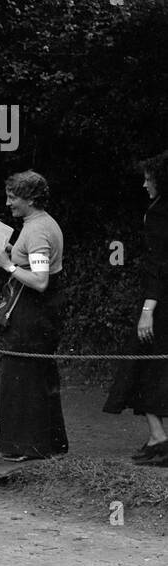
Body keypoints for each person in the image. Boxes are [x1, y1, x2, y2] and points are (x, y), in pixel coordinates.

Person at [0, 170, 68, 460]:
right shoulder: (38, 223)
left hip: (34, 310)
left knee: (24, 375)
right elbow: (36, 260)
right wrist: (13, 251)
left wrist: (8, 265)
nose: (8, 203)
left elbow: (40, 280)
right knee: (38, 374)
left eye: (13, 197)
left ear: (31, 199)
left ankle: (27, 446)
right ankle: (48, 444)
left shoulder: (36, 229)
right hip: (42, 310)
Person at [103, 150, 168, 465]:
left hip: (161, 303)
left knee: (145, 364)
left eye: (148, 178)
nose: (144, 184)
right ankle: (158, 437)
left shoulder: (159, 213)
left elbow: (158, 265)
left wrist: (147, 311)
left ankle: (159, 437)